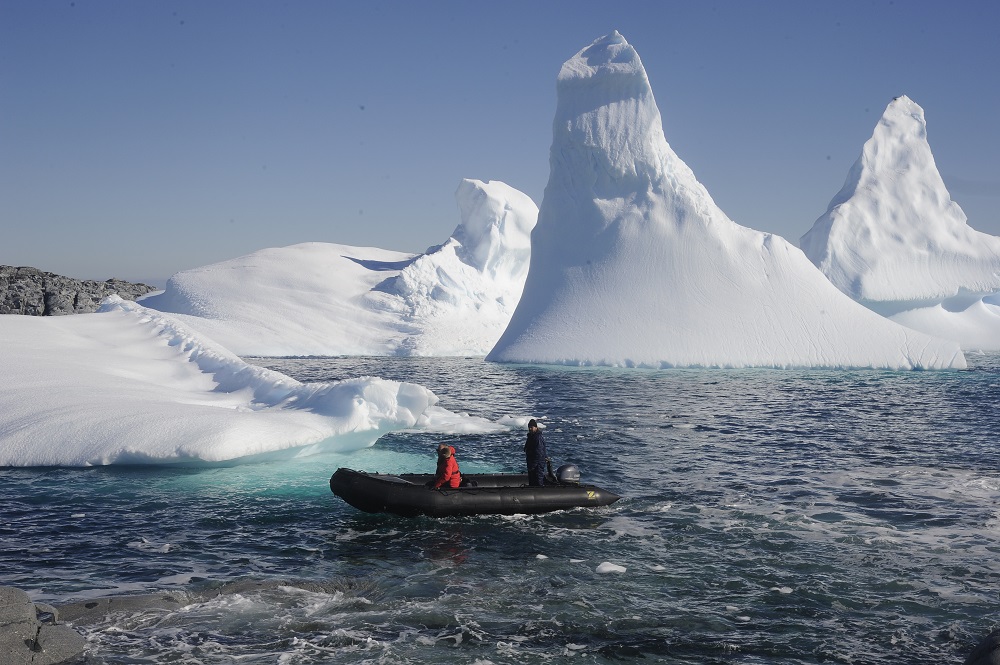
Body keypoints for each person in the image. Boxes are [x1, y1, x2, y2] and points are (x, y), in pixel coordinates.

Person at [524, 419, 547, 486]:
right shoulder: (531, 437)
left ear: (536, 427)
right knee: (532, 480)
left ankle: (540, 492)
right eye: (529, 427)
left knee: (538, 479)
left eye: (532, 427)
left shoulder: (538, 438)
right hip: (531, 462)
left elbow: (539, 453)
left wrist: (533, 465)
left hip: (537, 464)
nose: (530, 429)